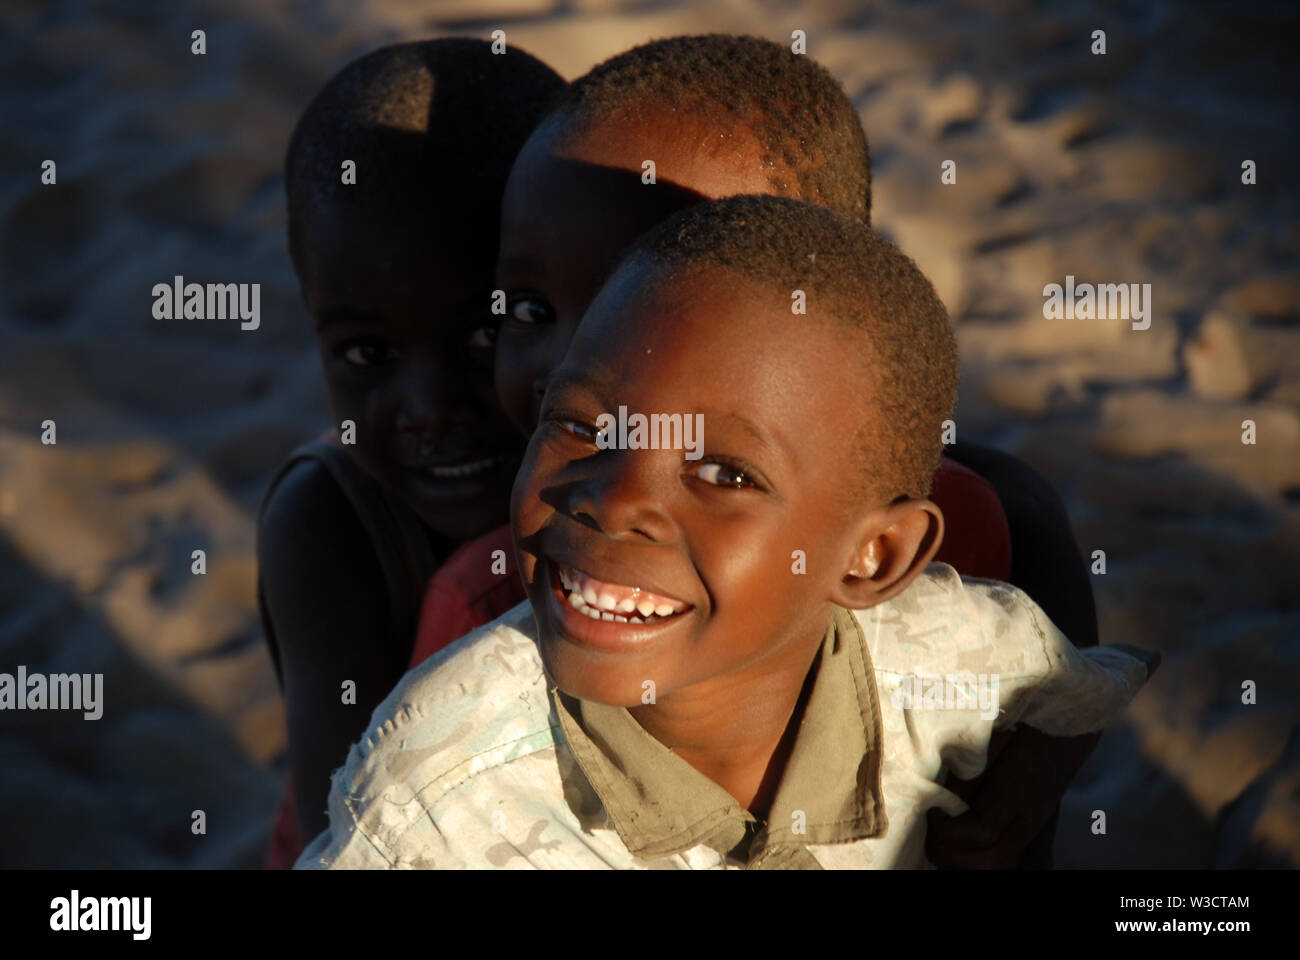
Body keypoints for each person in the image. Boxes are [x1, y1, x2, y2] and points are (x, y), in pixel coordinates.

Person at [298, 195, 1156, 869]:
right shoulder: (435, 798)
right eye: (586, 430)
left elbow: (1071, 694)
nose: (613, 501)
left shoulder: (946, 652)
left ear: (876, 557)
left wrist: (1024, 798)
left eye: (723, 475)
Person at [257, 38, 564, 866]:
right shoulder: (328, 528)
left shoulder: (644, 477)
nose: (430, 409)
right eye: (366, 356)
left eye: (484, 333)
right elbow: (349, 836)